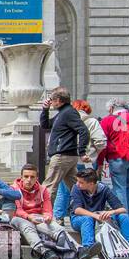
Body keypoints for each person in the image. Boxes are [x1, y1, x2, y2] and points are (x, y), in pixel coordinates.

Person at [39, 86, 89, 227]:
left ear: (59, 100)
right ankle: (90, 210)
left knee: (49, 186)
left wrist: (82, 151)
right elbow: (46, 125)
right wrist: (45, 110)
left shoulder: (68, 113)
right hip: (67, 156)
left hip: (62, 155)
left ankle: (44, 215)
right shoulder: (63, 113)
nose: (51, 102)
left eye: (52, 100)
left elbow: (83, 130)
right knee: (76, 186)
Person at [68, 166, 129, 253]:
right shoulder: (76, 188)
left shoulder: (104, 189)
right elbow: (77, 210)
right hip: (79, 219)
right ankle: (88, 250)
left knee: (123, 216)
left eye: (81, 182)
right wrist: (95, 215)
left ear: (91, 184)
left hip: (100, 219)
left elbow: (122, 209)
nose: (77, 184)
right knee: (87, 219)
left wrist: (111, 212)